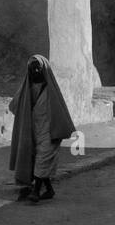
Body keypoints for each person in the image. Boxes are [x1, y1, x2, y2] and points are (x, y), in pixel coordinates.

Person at [8, 54, 76, 203]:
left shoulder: (51, 91)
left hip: (50, 131)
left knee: (42, 159)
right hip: (33, 131)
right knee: (38, 160)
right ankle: (49, 190)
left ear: (44, 69)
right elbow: (13, 106)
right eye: (33, 68)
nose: (36, 70)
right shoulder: (27, 89)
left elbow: (61, 113)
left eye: (38, 67)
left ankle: (36, 191)